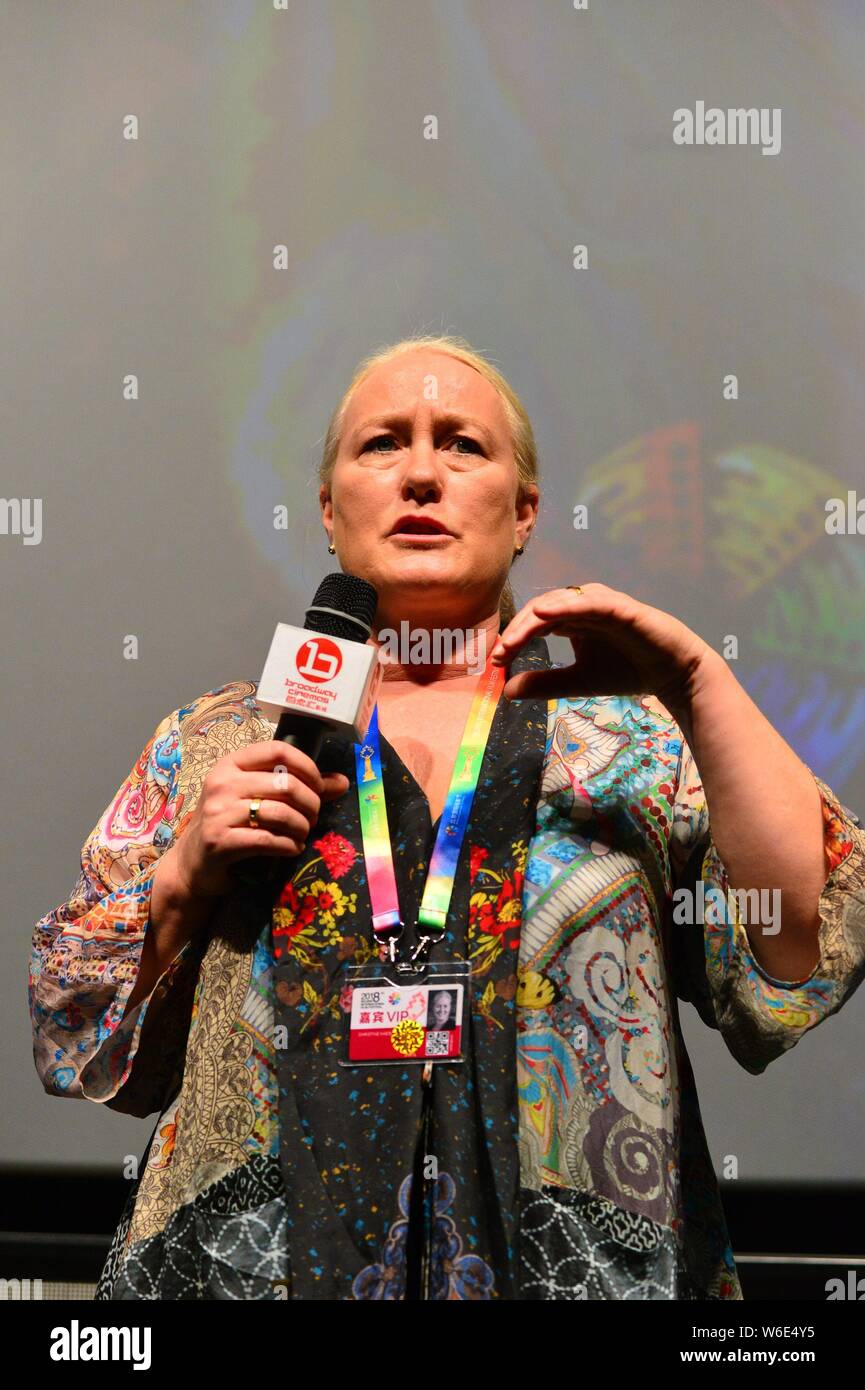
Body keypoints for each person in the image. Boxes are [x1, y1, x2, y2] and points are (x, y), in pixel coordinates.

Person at [29, 334, 865, 1301]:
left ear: (523, 514)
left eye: (462, 444)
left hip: (572, 1271)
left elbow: (788, 953)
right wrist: (178, 879)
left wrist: (694, 679)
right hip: (254, 1269)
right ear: (328, 513)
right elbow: (73, 1028)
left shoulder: (631, 738)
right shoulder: (215, 742)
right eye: (382, 444)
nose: (421, 472)